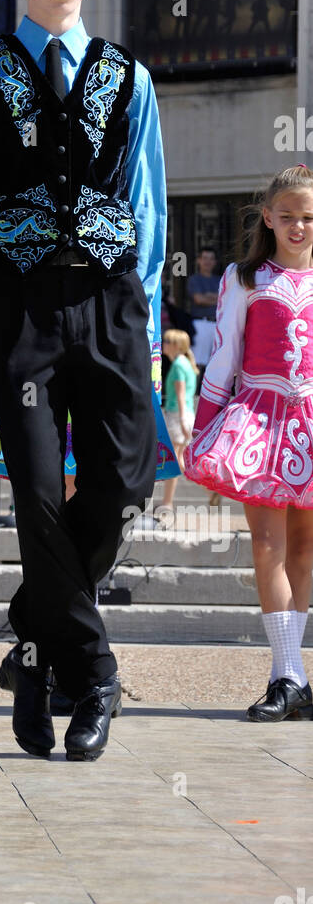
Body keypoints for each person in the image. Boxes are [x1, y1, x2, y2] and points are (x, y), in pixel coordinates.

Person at [0, 0, 166, 761]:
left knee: (126, 479)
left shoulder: (127, 75)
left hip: (109, 306)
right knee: (34, 494)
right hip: (20, 309)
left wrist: (137, 310)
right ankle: (92, 671)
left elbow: (146, 203)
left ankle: (35, 645)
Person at [185, 165, 313, 721]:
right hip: (258, 418)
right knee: (267, 544)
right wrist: (204, 426)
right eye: (287, 216)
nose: (298, 226)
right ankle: (287, 673)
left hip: (310, 418)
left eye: (308, 217)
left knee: (306, 548)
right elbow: (225, 356)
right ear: (267, 216)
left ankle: (293, 676)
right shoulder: (244, 278)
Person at [159, 330, 197, 513]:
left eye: (167, 340)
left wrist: (182, 420)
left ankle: (167, 502)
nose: (163, 343)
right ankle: (207, 489)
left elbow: (181, 396)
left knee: (173, 460)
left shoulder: (179, 365)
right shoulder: (184, 364)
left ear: (176, 345)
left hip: (178, 415)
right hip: (183, 414)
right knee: (178, 459)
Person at [187, 246, 220, 368]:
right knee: (197, 364)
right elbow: (199, 299)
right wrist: (218, 298)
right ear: (198, 260)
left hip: (218, 324)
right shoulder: (194, 279)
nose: (208, 261)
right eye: (205, 258)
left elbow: (226, 299)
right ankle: (194, 388)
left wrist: (208, 296)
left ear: (215, 262)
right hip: (200, 324)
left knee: (217, 365)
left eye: (211, 259)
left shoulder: (221, 280)